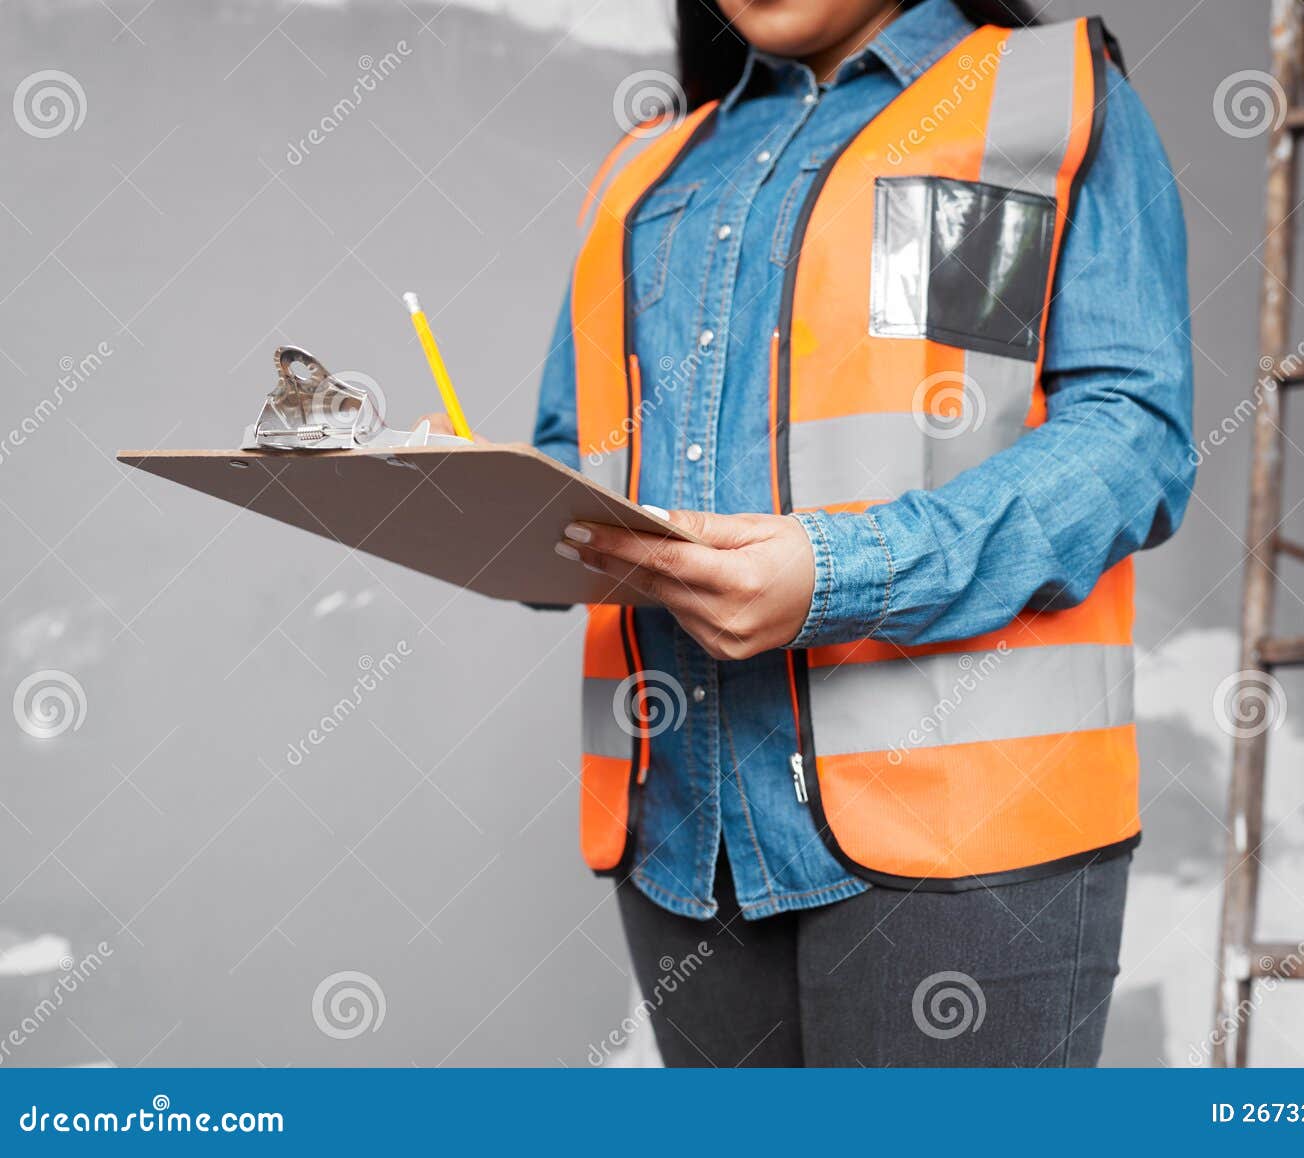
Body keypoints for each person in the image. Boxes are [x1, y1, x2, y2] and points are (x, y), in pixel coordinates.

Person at [422, 0, 1193, 1067]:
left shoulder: (1028, 101)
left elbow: (1130, 443)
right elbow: (580, 465)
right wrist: (461, 498)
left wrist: (841, 574)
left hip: (963, 839)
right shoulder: (645, 168)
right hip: (685, 837)